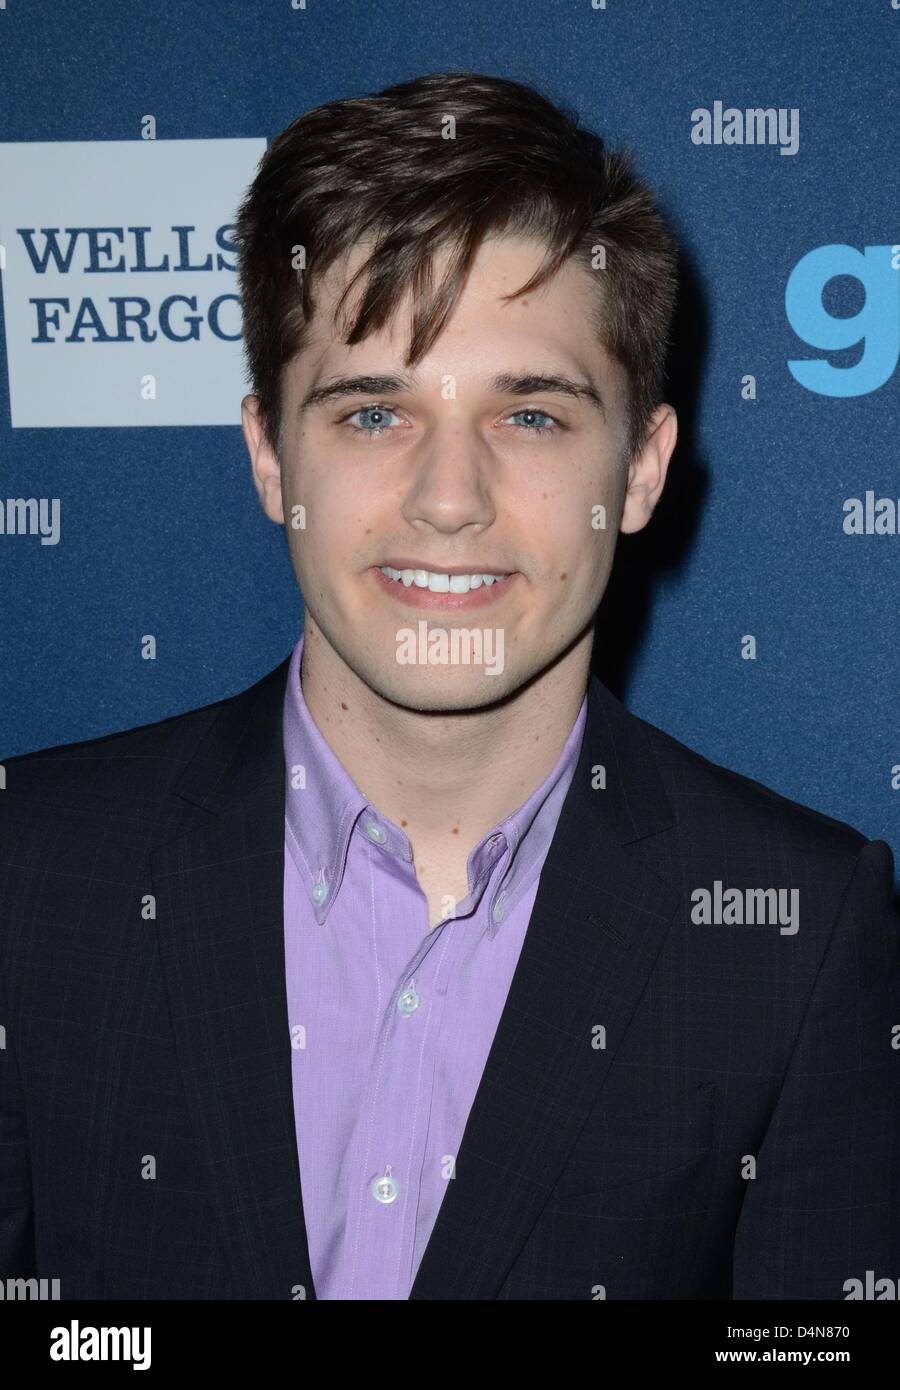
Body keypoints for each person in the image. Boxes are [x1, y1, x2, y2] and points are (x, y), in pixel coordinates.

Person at [0, 71, 897, 1301]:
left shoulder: (796, 928)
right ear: (270, 457)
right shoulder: (30, 876)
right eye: (373, 413)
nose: (448, 499)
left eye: (530, 416)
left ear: (641, 470)